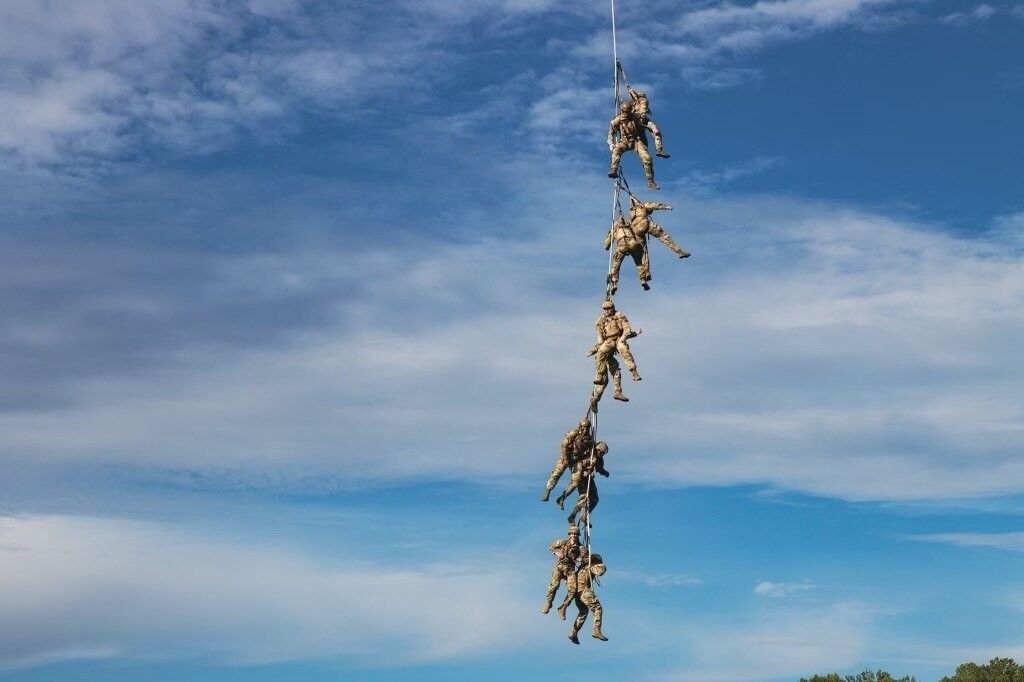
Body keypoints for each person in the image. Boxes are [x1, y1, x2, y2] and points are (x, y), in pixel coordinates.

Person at [587, 300, 641, 407]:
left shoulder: (618, 316)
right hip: (605, 350)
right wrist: (596, 349)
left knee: (620, 359)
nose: (607, 311)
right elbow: (600, 338)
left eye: (609, 309)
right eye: (605, 309)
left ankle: (620, 389)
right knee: (603, 377)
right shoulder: (601, 321)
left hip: (614, 344)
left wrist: (634, 334)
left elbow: (626, 331)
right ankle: (596, 398)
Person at [607, 101, 660, 190]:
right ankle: (614, 170)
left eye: (627, 112)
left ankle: (650, 182)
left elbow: (647, 123)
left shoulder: (636, 117)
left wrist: (654, 130)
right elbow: (611, 133)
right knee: (616, 150)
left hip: (637, 141)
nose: (625, 114)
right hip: (625, 140)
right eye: (624, 112)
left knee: (647, 159)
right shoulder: (617, 120)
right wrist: (611, 143)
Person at [542, 418, 594, 502]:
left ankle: (562, 497)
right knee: (557, 472)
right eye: (584, 427)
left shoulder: (590, 439)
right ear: (580, 427)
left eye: (587, 427)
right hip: (566, 456)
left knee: (576, 481)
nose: (586, 429)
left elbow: (590, 453)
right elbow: (564, 445)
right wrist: (566, 458)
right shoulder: (573, 433)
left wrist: (590, 464)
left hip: (577, 460)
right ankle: (548, 491)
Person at [559, 441, 610, 526]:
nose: (601, 454)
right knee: (584, 496)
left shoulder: (598, 459)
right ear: (597, 449)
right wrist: (583, 472)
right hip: (580, 475)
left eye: (603, 453)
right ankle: (572, 515)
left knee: (595, 498)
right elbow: (579, 463)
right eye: (600, 452)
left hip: (588, 477)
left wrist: (605, 473)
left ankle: (585, 513)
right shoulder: (588, 454)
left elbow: (599, 468)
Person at [629, 195, 690, 261]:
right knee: (663, 237)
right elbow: (654, 205)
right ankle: (679, 252)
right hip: (644, 223)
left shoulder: (631, 213)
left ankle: (644, 269)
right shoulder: (642, 205)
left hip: (636, 231)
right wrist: (666, 207)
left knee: (643, 251)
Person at [568, 553, 609, 644]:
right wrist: (600, 566)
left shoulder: (580, 569)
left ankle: (573, 633)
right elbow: (600, 571)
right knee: (597, 608)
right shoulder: (589, 567)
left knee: (583, 612)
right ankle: (596, 630)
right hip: (584, 592)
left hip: (577, 594)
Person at [604, 213, 649, 295]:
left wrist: (609, 237)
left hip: (622, 245)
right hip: (633, 244)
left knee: (616, 265)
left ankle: (614, 283)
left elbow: (606, 246)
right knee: (639, 263)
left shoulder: (615, 229)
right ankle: (643, 280)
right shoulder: (630, 227)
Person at [542, 526, 583, 614]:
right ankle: (549, 602)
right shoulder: (562, 542)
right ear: (570, 534)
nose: (574, 536)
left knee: (573, 590)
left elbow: (584, 557)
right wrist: (557, 552)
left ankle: (563, 607)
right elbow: (551, 546)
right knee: (554, 586)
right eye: (573, 534)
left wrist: (579, 559)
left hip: (570, 569)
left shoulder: (580, 547)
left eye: (576, 534)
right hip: (560, 566)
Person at [626, 84, 670, 159]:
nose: (643, 98)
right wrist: (631, 90)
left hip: (644, 119)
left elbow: (636, 97)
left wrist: (631, 91)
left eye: (644, 97)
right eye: (642, 97)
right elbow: (635, 96)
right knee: (639, 140)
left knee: (656, 131)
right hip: (637, 119)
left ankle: (659, 149)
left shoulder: (644, 101)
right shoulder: (636, 102)